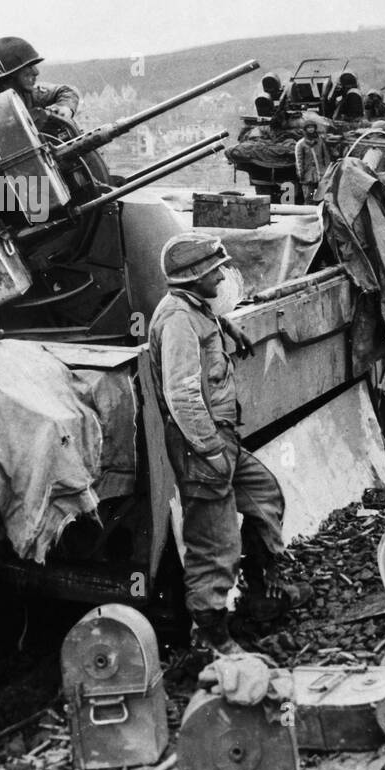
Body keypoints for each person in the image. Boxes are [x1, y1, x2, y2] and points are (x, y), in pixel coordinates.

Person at [147, 233, 311, 655]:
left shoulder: (194, 311)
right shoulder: (178, 321)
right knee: (215, 545)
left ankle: (261, 594)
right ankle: (214, 639)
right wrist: (210, 451)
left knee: (265, 497)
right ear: (195, 276)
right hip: (201, 446)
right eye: (215, 270)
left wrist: (225, 325)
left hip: (221, 440)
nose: (222, 275)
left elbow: (204, 323)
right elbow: (181, 394)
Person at [0, 37, 80, 178]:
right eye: (28, 67)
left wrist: (65, 108)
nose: (36, 72)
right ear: (10, 75)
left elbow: (66, 91)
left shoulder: (25, 94)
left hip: (25, 178)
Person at [294, 120, 332, 204]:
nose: (311, 129)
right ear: (305, 129)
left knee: (322, 196)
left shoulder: (320, 142)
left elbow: (326, 157)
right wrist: (301, 173)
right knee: (309, 196)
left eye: (312, 127)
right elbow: (299, 160)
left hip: (321, 174)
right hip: (308, 176)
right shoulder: (300, 144)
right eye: (308, 128)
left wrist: (328, 171)